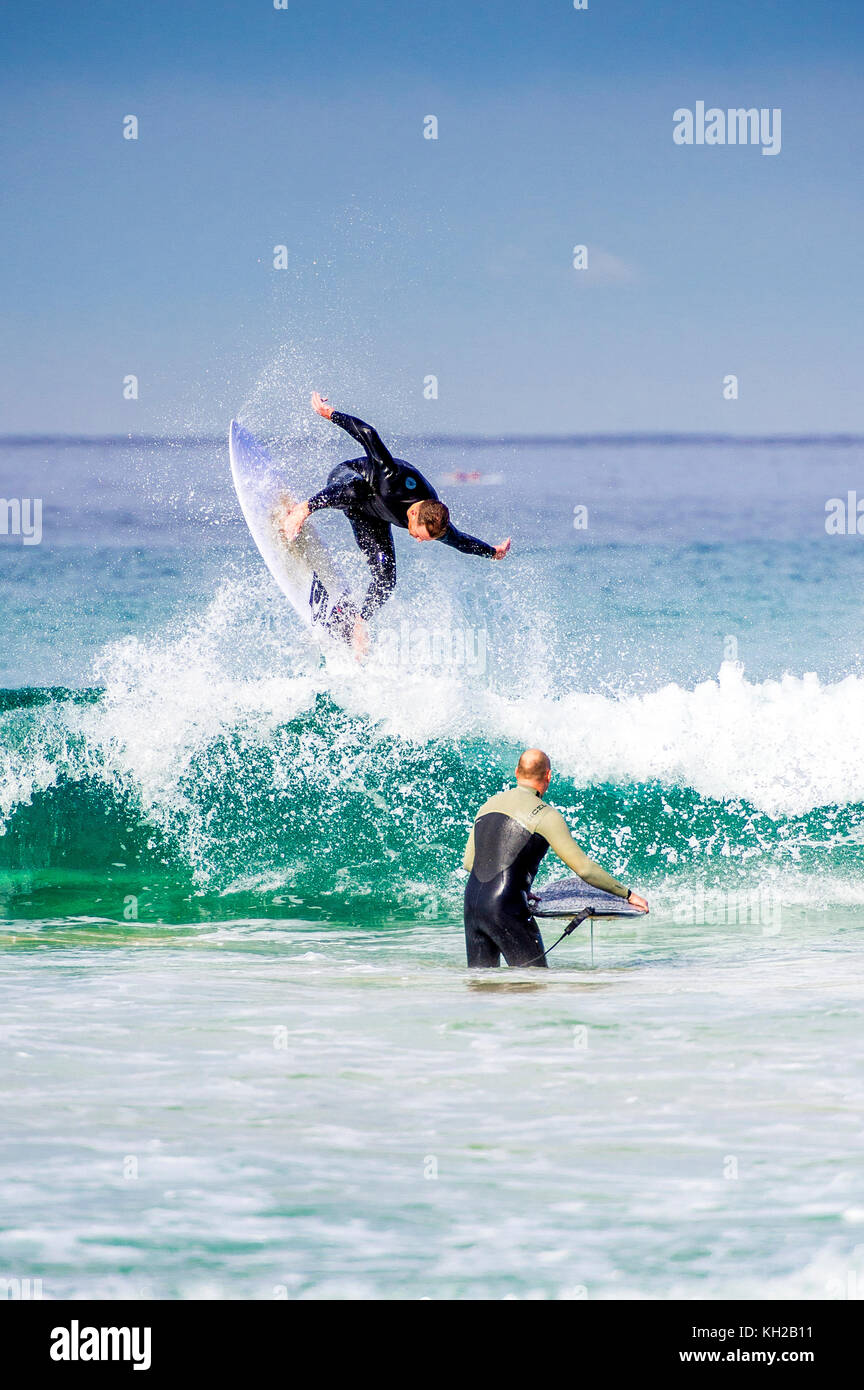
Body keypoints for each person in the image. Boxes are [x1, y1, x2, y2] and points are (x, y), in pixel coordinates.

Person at [280, 393, 511, 656]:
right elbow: (369, 434)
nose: (419, 540)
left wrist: (492, 553)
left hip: (370, 516)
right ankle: (303, 509)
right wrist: (329, 413)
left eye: (424, 538)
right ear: (413, 515)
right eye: (419, 534)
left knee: (386, 577)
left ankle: (358, 622)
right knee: (357, 491)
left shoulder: (435, 520)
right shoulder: (394, 478)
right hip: (348, 479)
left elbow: (461, 541)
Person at [463, 748, 649, 968]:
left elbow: (469, 863)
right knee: (534, 984)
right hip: (506, 907)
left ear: (516, 772)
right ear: (548, 776)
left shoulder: (488, 805)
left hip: (472, 905)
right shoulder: (545, 814)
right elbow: (585, 870)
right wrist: (627, 894)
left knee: (482, 987)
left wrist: (514, 885)